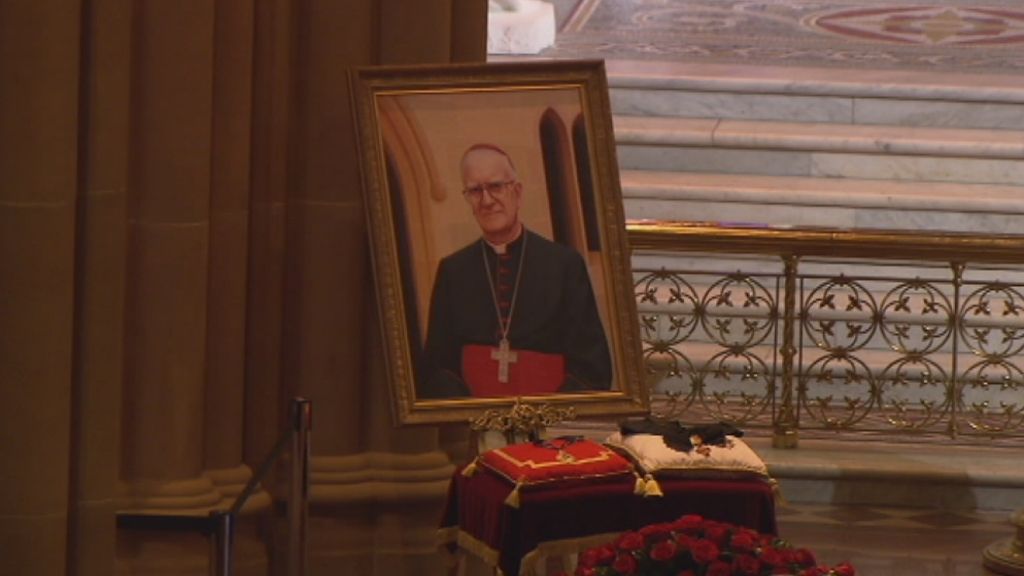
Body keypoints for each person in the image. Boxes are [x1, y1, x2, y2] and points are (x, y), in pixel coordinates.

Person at [419, 143, 612, 398]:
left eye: (496, 186)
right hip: (475, 423)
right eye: (475, 190)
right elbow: (437, 366)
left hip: (551, 423)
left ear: (518, 192)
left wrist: (553, 414)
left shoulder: (564, 264)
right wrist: (472, 412)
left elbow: (592, 365)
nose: (487, 200)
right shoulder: (453, 271)